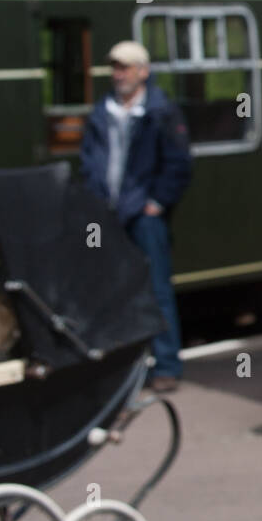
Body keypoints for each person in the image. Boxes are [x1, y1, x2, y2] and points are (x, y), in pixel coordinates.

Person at [79, 41, 192, 393]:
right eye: (115, 67)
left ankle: (167, 365)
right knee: (115, 291)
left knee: (156, 290)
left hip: (144, 215)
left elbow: (179, 162)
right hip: (109, 213)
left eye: (125, 67)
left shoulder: (161, 111)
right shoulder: (103, 112)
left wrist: (156, 202)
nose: (118, 74)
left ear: (143, 71)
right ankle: (127, 367)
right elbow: (89, 160)